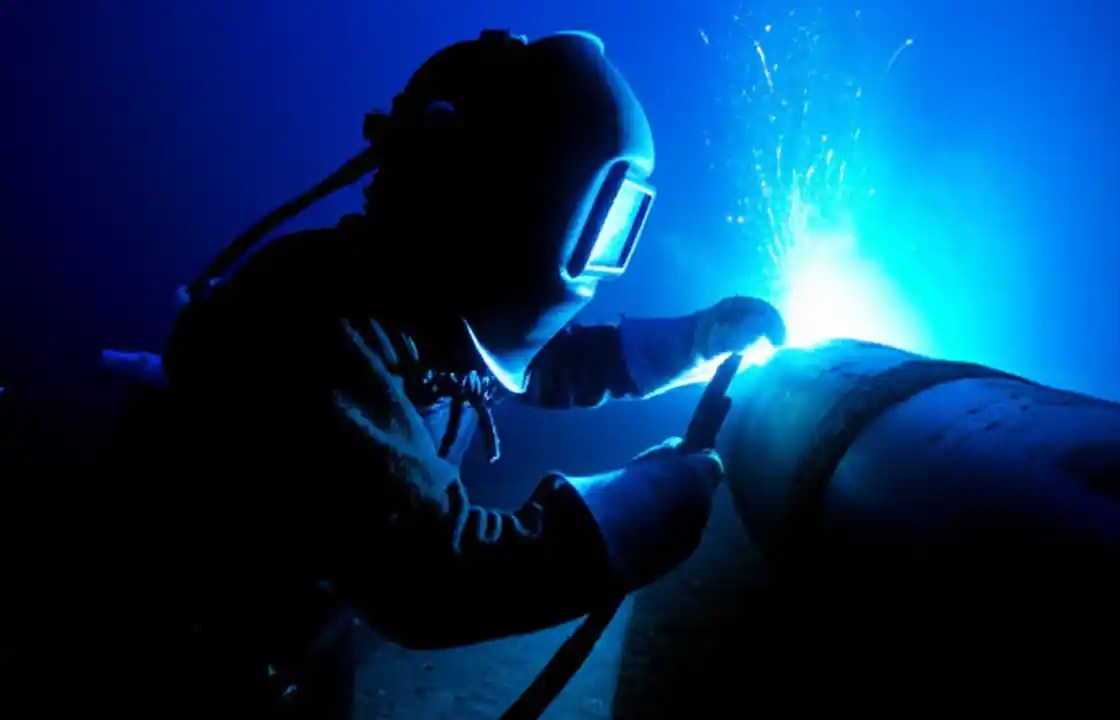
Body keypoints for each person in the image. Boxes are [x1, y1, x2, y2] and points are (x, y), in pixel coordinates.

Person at [90, 29, 785, 718]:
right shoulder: (313, 319)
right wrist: (626, 516)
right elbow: (430, 577)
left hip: (302, 640)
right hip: (187, 665)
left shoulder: (431, 310)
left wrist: (696, 341)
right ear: (472, 178)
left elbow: (541, 362)